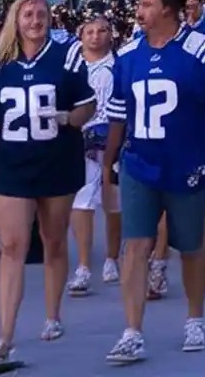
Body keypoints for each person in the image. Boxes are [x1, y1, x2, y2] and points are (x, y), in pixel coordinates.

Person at [102, 0, 205, 362]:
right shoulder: (128, 55)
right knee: (136, 245)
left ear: (166, 8)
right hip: (140, 164)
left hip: (187, 165)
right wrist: (110, 159)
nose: (139, 11)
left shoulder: (201, 51)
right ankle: (132, 330)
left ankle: (195, 317)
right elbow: (117, 115)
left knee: (192, 247)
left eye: (145, 4)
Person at [0, 0, 96, 363]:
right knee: (11, 248)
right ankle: (5, 335)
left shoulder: (67, 56)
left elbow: (88, 102)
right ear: (15, 19)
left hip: (57, 161)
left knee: (53, 241)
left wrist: (73, 118)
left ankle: (53, 315)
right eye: (28, 14)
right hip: (13, 166)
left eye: (41, 13)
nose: (36, 20)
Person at [66, 16, 121, 295]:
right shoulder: (72, 66)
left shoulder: (118, 65)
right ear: (81, 35)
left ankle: (112, 257)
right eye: (90, 31)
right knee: (82, 200)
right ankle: (84, 265)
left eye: (102, 31)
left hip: (112, 139)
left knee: (112, 201)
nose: (96, 36)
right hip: (80, 141)